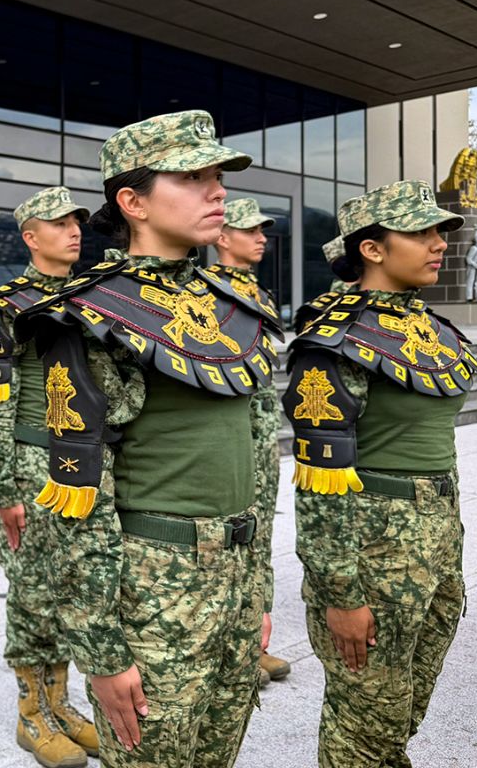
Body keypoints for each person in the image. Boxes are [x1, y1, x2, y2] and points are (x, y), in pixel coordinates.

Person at [15, 111, 282, 766]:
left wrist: (259, 591)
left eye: (217, 176)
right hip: (154, 597)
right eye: (193, 177)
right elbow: (75, 505)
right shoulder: (93, 317)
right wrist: (103, 653)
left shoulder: (234, 308)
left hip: (236, 583)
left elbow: (261, 458)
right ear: (132, 201)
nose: (216, 191)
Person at [285, 180, 476, 767]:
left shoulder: (432, 330)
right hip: (375, 557)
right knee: (364, 723)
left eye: (440, 231)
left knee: (400, 712)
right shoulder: (336, 341)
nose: (438, 243)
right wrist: (342, 594)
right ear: (372, 249)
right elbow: (318, 486)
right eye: (419, 232)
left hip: (437, 547)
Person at [0, 186, 96, 767]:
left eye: (77, 222)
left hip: (86, 462)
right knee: (33, 591)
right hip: (32, 460)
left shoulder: (92, 298)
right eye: (59, 223)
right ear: (29, 236)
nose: (73, 231)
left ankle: (61, 703)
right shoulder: (4, 305)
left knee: (71, 585)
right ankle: (30, 713)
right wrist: (6, 490)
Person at [208, 197, 293, 687]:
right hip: (233, 430)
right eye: (250, 230)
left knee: (258, 539)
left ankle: (251, 640)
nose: (262, 237)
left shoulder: (258, 292)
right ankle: (226, 644)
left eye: (263, 230)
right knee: (231, 538)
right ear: (223, 237)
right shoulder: (209, 291)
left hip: (263, 434)